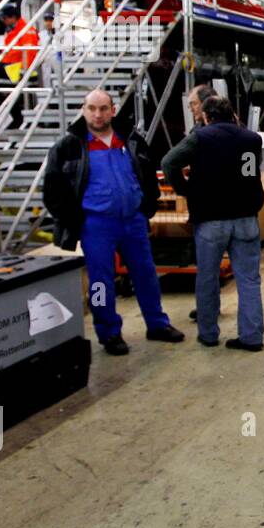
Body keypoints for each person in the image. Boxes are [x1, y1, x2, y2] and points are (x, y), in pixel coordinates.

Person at [43, 89, 185, 355]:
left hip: (133, 221)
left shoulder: (129, 140)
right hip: (96, 226)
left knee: (146, 274)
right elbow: (52, 190)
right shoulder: (69, 147)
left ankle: (157, 324)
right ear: (83, 110)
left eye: (103, 108)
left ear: (113, 110)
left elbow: (148, 175)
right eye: (92, 108)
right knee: (100, 283)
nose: (98, 115)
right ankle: (108, 332)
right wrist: (75, 220)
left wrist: (147, 207)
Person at [161, 95, 264, 351]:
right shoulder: (251, 140)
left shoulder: (200, 138)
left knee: (207, 278)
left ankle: (208, 334)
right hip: (245, 219)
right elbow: (250, 173)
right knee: (249, 280)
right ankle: (252, 337)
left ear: (206, 116)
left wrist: (184, 188)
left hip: (211, 221)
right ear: (232, 114)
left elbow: (169, 162)